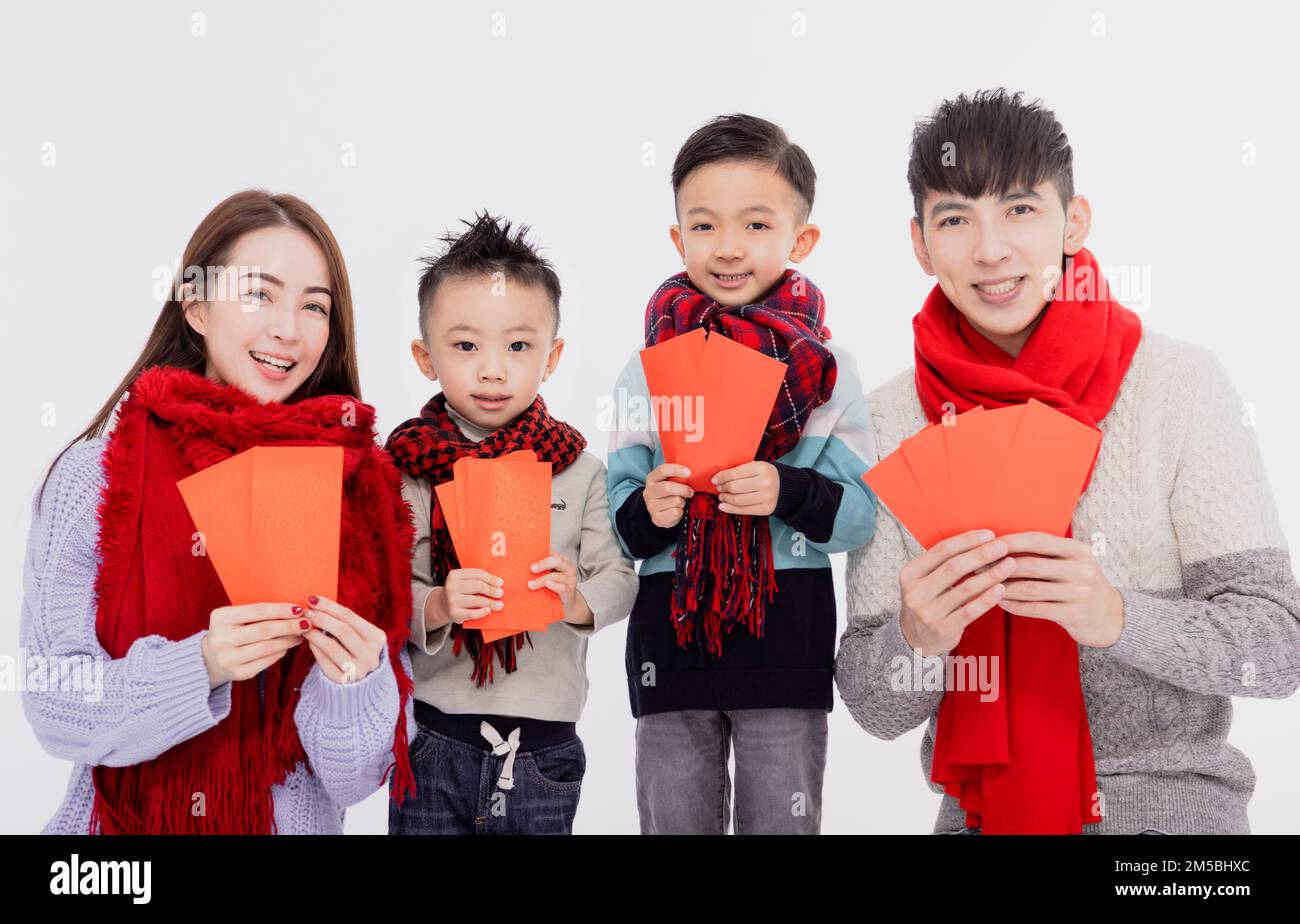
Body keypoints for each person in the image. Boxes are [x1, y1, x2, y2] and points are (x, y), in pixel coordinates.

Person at [835, 89, 1300, 834]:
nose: (990, 250)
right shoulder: (890, 418)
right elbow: (870, 703)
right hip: (979, 820)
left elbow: (1278, 647)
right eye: (956, 219)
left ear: (1071, 222)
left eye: (1020, 209)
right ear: (920, 242)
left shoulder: (1177, 383)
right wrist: (916, 640)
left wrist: (1117, 618)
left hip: (1169, 834)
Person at [21, 189, 417, 834]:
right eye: (259, 293)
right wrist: (200, 664)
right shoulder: (96, 476)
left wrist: (354, 681)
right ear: (197, 305)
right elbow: (53, 707)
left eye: (314, 306)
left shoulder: (359, 487)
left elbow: (352, 779)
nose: (289, 328)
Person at [606, 114, 876, 834]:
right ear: (677, 238)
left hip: (786, 640)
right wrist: (652, 508)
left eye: (757, 225)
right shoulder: (647, 366)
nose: (728, 248)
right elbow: (617, 524)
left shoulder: (828, 369)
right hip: (672, 644)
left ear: (801, 240)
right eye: (704, 226)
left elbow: (859, 518)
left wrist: (786, 491)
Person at [385, 212, 638, 835]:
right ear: (425, 357)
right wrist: (440, 603)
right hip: (431, 735)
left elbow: (621, 576)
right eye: (465, 346)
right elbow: (388, 591)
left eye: (518, 346)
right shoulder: (410, 470)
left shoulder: (580, 469)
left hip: (543, 748)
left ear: (551, 358)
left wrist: (576, 599)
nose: (493, 369)